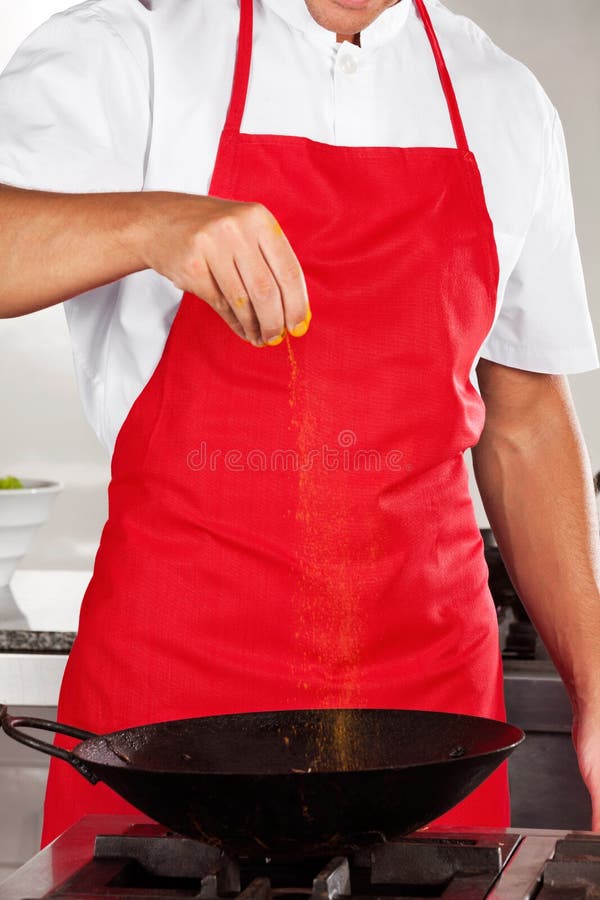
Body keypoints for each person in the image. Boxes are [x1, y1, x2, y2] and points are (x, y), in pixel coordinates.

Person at [0, 0, 599, 846]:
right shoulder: (138, 48)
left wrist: (596, 683)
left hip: (429, 730)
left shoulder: (501, 95)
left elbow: (528, 416)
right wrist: (150, 221)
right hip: (173, 721)